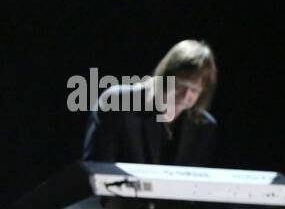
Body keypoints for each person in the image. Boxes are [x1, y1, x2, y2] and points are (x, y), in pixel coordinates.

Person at [82, 39, 218, 166]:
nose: (185, 95)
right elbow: (97, 170)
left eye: (194, 90)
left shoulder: (203, 125)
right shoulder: (118, 102)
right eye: (180, 85)